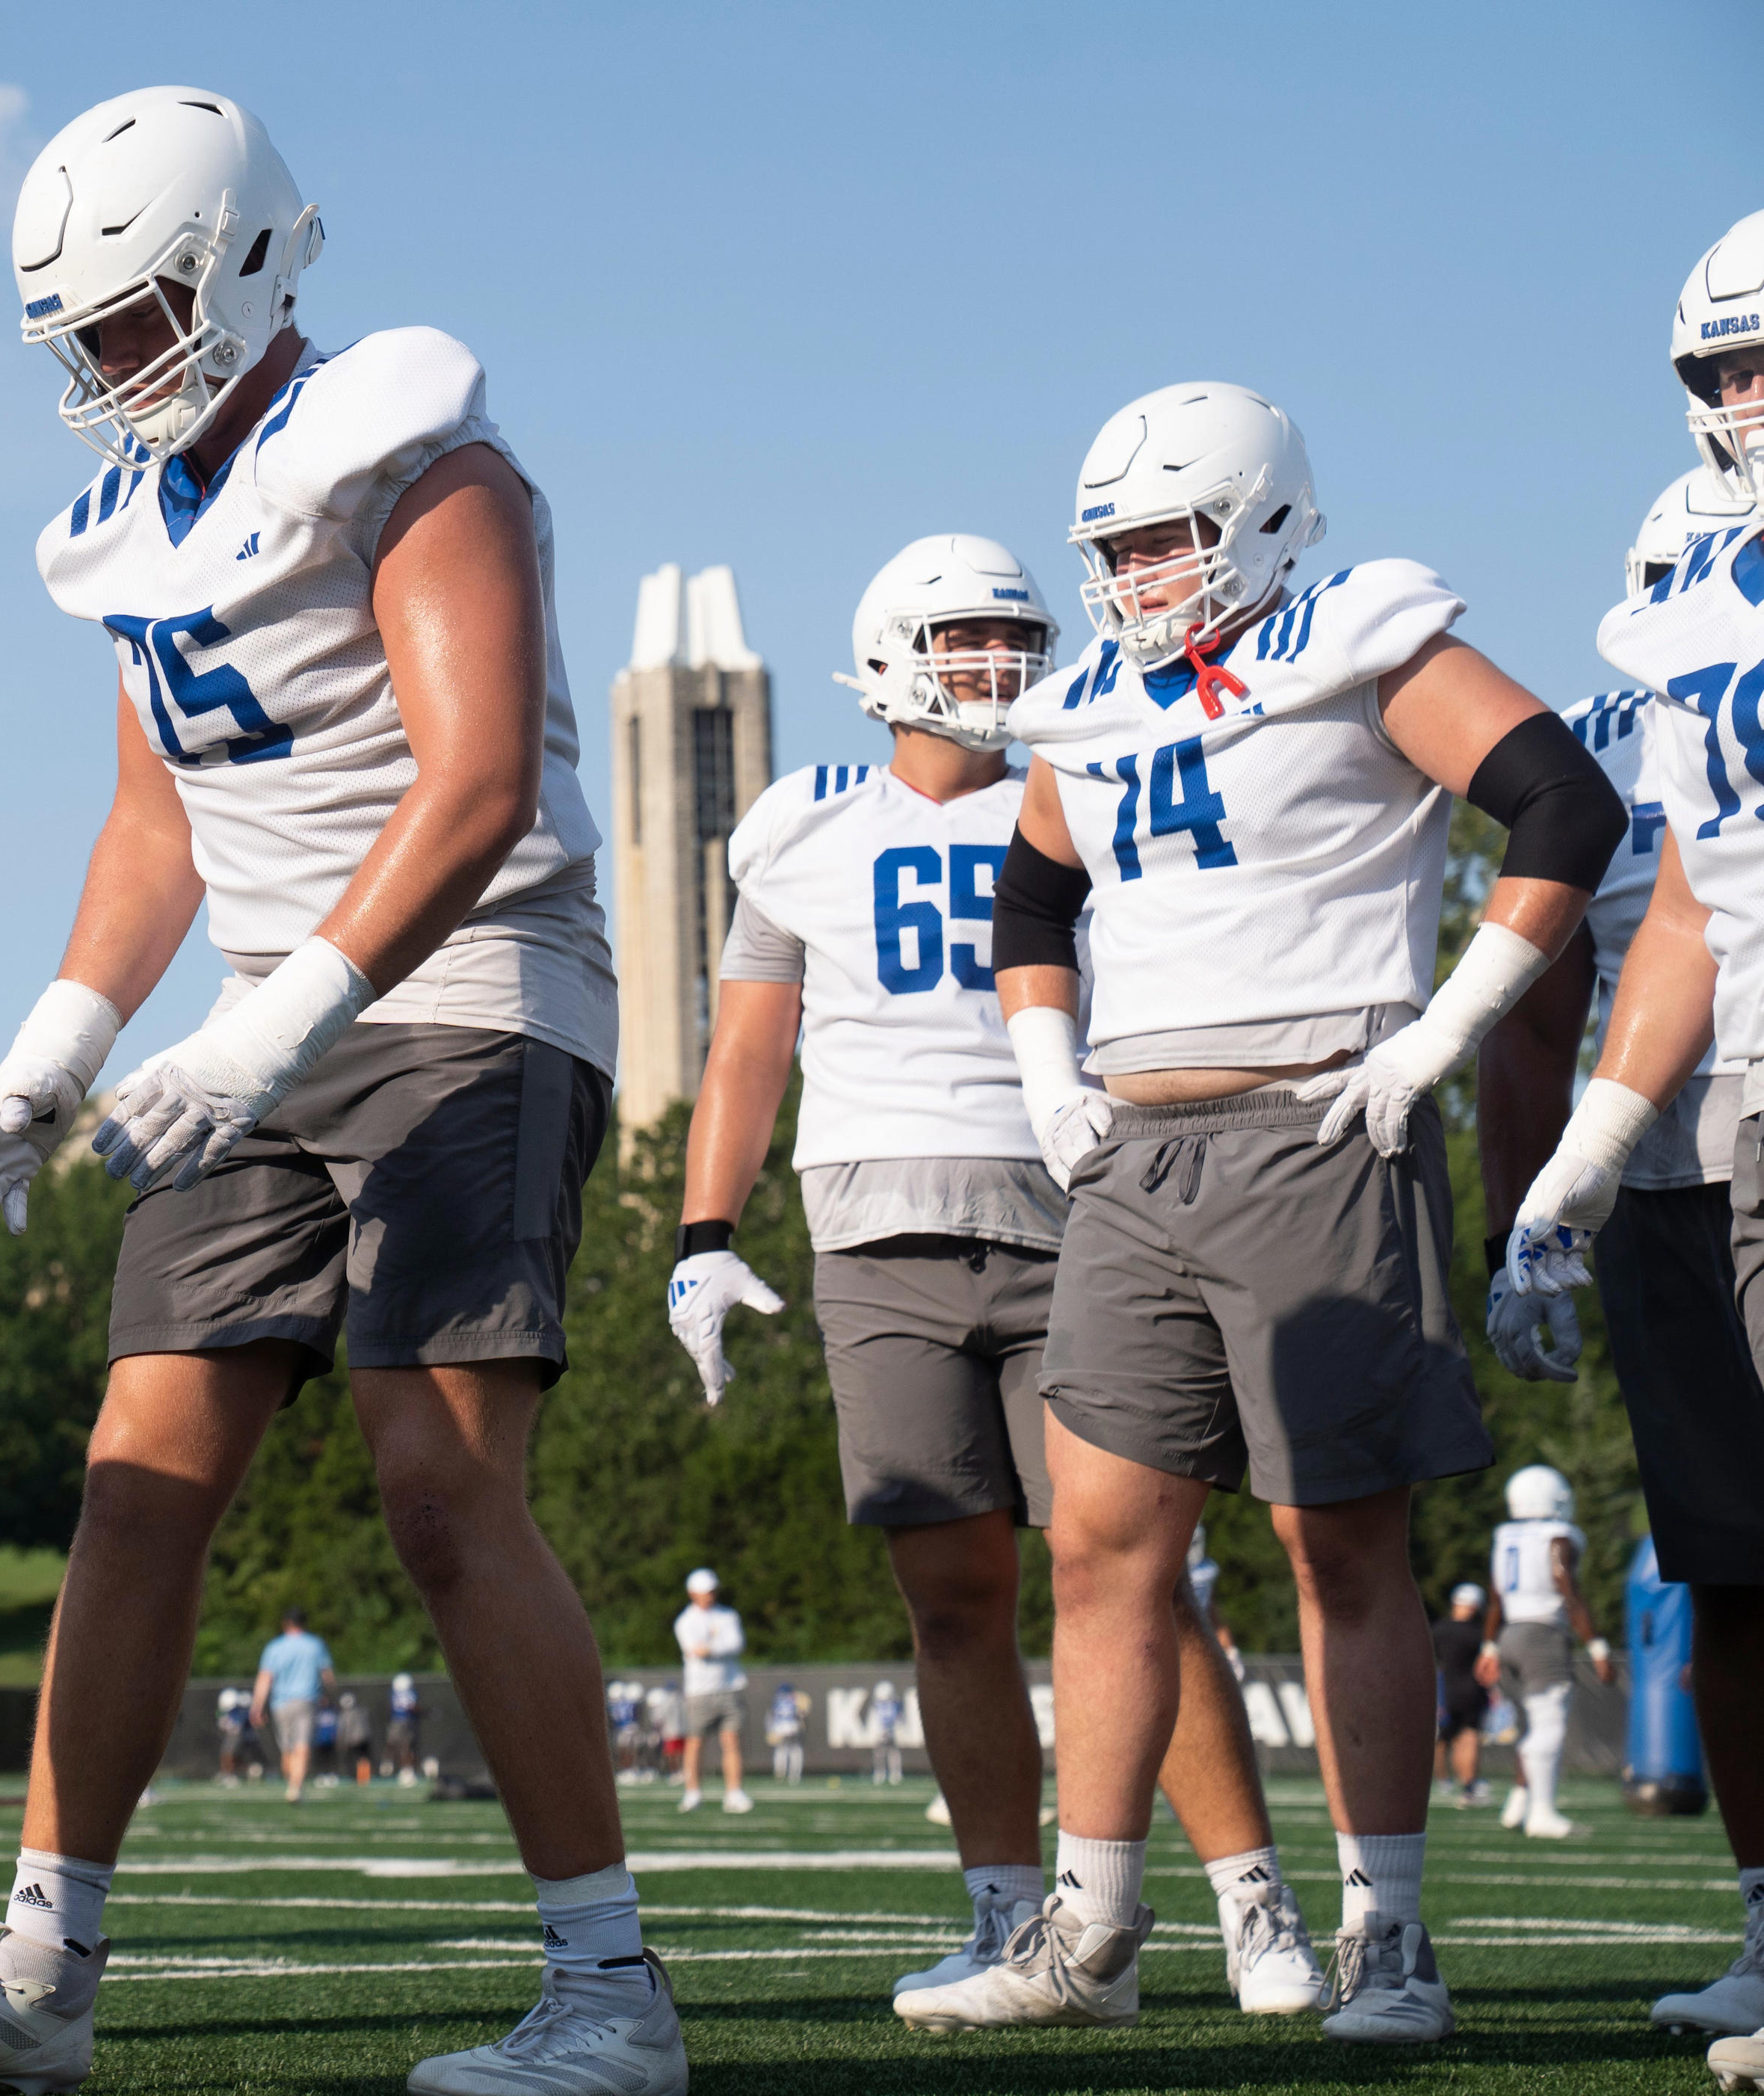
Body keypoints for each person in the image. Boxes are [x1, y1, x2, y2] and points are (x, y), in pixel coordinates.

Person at [0, 90, 676, 2096]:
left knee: (441, 1486)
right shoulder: (135, 523)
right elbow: (156, 815)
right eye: (87, 336)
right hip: (252, 1029)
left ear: (253, 259)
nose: (115, 366)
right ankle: (39, 1970)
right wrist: (58, 1036)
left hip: (460, 987)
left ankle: (609, 1991)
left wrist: (263, 1030)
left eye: (137, 317)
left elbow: (467, 794)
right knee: (133, 1481)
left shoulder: (413, 448)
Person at [913, 379, 1619, 2046]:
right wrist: (1044, 1072)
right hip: (1133, 1159)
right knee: (1098, 1547)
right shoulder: (1087, 702)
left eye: (1169, 537)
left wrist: (1445, 1031)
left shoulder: (1360, 631)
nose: (1142, 574)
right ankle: (1090, 1926)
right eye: (1119, 547)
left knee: (1340, 1543)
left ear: (1263, 517)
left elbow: (1563, 805)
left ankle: (1390, 1938)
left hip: (1321, 1119)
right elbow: (1031, 893)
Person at [669, 540, 1322, 2022]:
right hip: (873, 1230)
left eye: (1016, 638)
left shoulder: (1089, 775)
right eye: (967, 641)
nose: (1000, 669)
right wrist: (706, 1235)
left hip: (1079, 1210)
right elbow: (751, 1043)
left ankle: (1250, 1902)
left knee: (1138, 1576)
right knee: (950, 1592)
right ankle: (1011, 1914)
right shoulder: (796, 825)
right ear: (892, 651)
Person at [1478, 436, 1764, 2042]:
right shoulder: (1609, 749)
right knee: (1728, 1571)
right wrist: (1535, 1219)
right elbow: (1538, 1013)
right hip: (1664, 1182)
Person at [1472, 1466, 1615, 1839]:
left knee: (1533, 1728)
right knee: (1549, 1726)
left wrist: (1488, 1646)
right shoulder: (1558, 1537)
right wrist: (1598, 1646)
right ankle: (1543, 1813)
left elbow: (1496, 1597)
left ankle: (1518, 1804)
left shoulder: (1505, 1537)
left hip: (1509, 1635)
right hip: (1542, 1635)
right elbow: (1568, 1590)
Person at [671, 1570, 749, 1814]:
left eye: (713, 1591)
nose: (711, 1596)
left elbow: (736, 1644)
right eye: (706, 1592)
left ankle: (734, 1793)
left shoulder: (728, 1615)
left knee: (732, 1741)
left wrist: (711, 1647)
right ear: (693, 1594)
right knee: (695, 1743)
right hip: (699, 1691)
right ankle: (693, 1793)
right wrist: (718, 1646)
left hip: (730, 1686)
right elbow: (694, 1650)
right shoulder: (686, 1621)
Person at [251, 1609, 337, 1804]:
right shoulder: (315, 1645)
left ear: (285, 1624)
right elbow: (327, 1675)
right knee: (302, 1746)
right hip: (307, 1700)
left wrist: (257, 1706)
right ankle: (295, 1786)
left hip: (280, 1703)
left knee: (288, 1749)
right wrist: (332, 1696)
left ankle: (293, 1785)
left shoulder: (274, 1647)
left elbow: (265, 1678)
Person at [1432, 1583, 1492, 1806]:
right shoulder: (1479, 1632)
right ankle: (1468, 1786)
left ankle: (1445, 1780)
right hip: (1473, 1688)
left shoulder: (1440, 1629)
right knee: (1469, 1737)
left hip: (1446, 1689)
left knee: (1450, 1738)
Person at [765, 1683, 807, 1786]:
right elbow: (801, 1714)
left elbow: (769, 1717)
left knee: (781, 1751)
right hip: (792, 1727)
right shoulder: (794, 1701)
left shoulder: (776, 1702)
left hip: (779, 1728)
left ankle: (780, 1774)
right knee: (795, 1750)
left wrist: (770, 1730)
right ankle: (795, 1776)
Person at [387, 1671, 424, 1784]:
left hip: (396, 1721)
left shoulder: (393, 1693)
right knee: (407, 1746)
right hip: (408, 1721)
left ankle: (392, 1766)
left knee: (397, 1745)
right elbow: (412, 1706)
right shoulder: (411, 1692)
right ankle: (407, 1770)